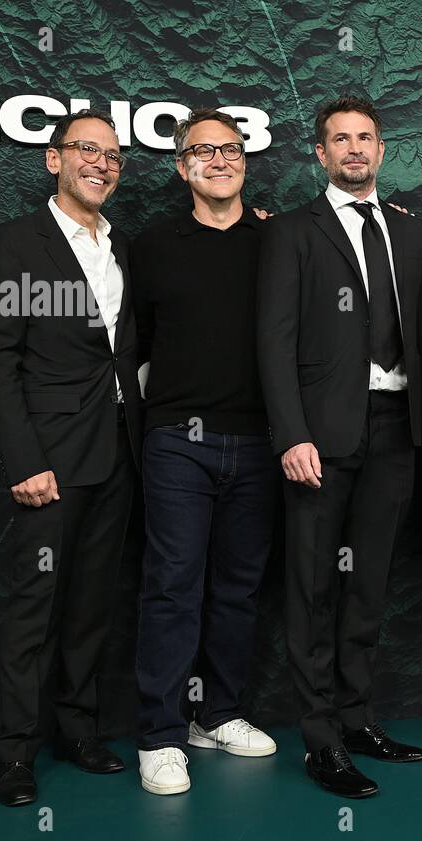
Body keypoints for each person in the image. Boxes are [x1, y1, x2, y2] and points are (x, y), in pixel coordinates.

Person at [256, 95, 422, 798]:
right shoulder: (293, 232)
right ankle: (320, 741)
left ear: (383, 149)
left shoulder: (412, 231)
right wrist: (291, 433)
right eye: (340, 139)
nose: (355, 149)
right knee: (311, 589)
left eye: (365, 138)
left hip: (397, 425)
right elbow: (272, 341)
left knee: (368, 583)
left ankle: (358, 717)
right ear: (320, 153)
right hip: (321, 432)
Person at [0, 108, 142, 806]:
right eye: (86, 150)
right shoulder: (15, 242)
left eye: (112, 155)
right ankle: (15, 753)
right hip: (49, 459)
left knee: (91, 607)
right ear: (55, 159)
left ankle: (77, 731)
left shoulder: (123, 246)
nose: (100, 163)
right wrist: (24, 461)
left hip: (117, 455)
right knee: (34, 610)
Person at [129, 108, 279, 797]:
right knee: (172, 583)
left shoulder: (277, 240)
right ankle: (160, 734)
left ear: (245, 160)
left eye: (230, 149)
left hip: (259, 440)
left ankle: (216, 714)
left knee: (239, 587)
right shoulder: (152, 244)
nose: (219, 160)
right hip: (176, 441)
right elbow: (135, 348)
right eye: (203, 151)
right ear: (181, 165)